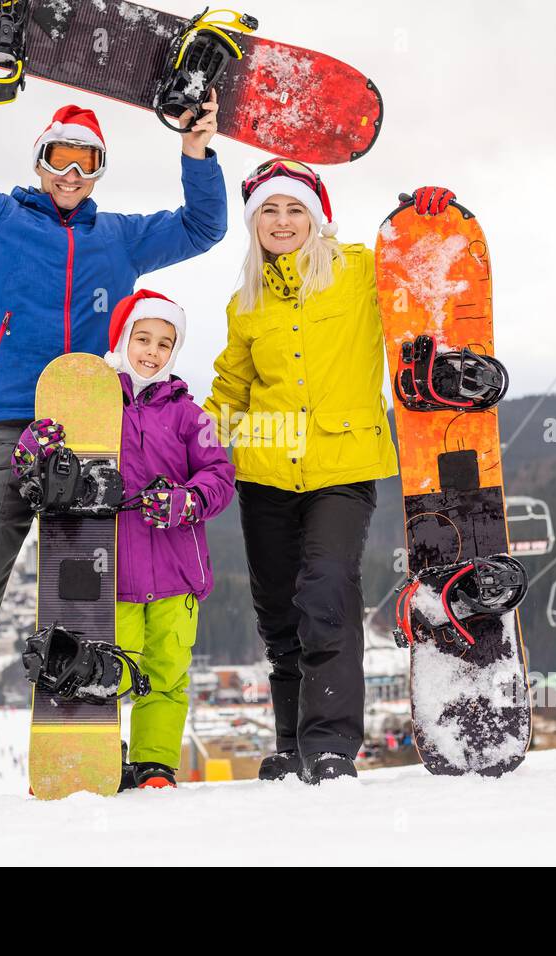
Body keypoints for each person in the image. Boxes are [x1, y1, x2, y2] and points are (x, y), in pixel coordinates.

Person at [0, 15, 228, 810]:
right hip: (7, 431)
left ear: (99, 170)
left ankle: (106, 748)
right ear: (39, 161)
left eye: (87, 162)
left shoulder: (122, 241)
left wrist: (196, 148)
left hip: (97, 440)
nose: (72, 173)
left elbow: (206, 225)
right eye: (59, 158)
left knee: (93, 602)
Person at [204, 159, 452, 783]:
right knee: (280, 614)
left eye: (294, 210)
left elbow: (422, 274)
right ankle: (291, 747)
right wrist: (176, 441)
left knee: (327, 594)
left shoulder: (360, 272)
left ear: (317, 218)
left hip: (342, 468)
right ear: (254, 222)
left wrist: (428, 222)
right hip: (264, 472)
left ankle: (332, 746)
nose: (282, 222)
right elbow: (231, 392)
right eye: (269, 211)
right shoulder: (245, 304)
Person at [23, 291, 235, 789]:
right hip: (109, 574)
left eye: (166, 343)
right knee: (108, 668)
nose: (153, 351)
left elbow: (220, 476)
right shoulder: (88, 405)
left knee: (166, 674)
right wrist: (34, 451)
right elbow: (48, 468)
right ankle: (87, 753)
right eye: (143, 338)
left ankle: (154, 764)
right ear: (122, 339)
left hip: (177, 573)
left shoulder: (190, 414)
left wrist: (187, 500)